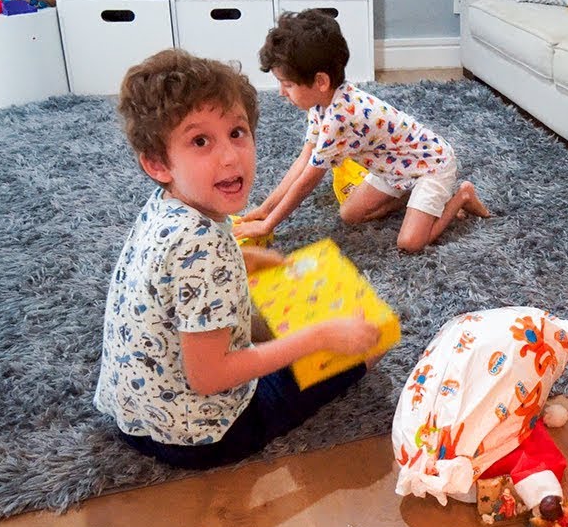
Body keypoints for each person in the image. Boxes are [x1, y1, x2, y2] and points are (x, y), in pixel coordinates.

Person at [93, 48, 380, 470]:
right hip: (202, 436)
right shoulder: (203, 248)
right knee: (366, 344)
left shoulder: (172, 206)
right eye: (200, 141)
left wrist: (248, 259)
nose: (229, 156)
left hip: (133, 413)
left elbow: (177, 278)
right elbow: (210, 377)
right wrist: (322, 337)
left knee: (274, 310)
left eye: (237, 133)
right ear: (157, 163)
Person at [234, 9, 489, 253]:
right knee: (350, 214)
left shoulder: (341, 119)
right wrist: (265, 209)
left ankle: (461, 196)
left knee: (410, 242)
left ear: (320, 81)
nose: (281, 93)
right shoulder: (320, 105)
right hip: (394, 169)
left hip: (431, 165)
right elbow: (304, 160)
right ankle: (416, 197)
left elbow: (307, 182)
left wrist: (268, 225)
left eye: (287, 85)